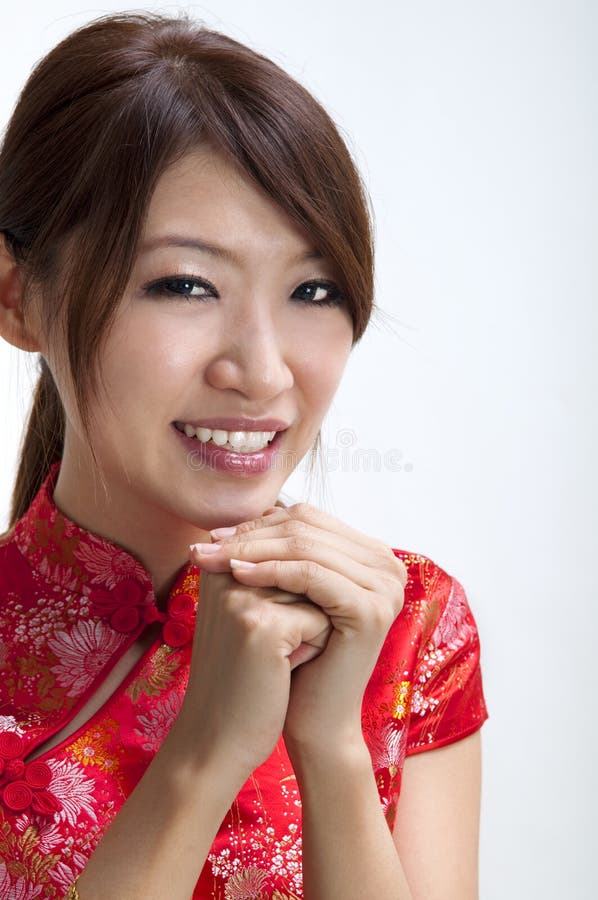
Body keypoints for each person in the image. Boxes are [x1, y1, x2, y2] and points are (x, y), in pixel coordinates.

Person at [0, 10, 489, 900]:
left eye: (313, 289)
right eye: (185, 284)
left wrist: (335, 748)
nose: (263, 372)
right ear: (17, 297)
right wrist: (204, 756)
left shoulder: (409, 626)